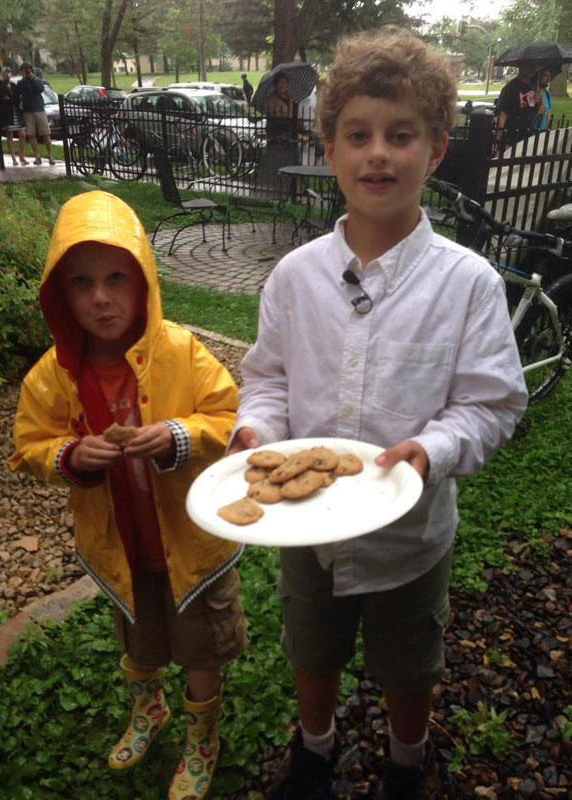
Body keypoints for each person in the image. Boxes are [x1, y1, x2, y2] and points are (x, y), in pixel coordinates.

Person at [229, 27, 528, 800]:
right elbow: (267, 378)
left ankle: (405, 759)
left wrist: (433, 447)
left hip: (410, 539)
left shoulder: (467, 283)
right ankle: (316, 750)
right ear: (328, 149)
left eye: (401, 136)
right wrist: (257, 433)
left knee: (407, 662)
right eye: (357, 135)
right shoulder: (295, 279)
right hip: (312, 534)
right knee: (312, 648)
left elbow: (492, 402)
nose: (378, 155)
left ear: (434, 149)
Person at [9, 190, 247, 800]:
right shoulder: (52, 375)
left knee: (198, 646)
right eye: (81, 282)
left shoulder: (182, 352)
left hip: (191, 544)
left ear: (144, 280)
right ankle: (149, 710)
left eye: (118, 278)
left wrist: (175, 436)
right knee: (136, 637)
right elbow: (31, 441)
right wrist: (68, 455)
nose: (100, 297)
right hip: (121, 543)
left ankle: (202, 738)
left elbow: (225, 415)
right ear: (58, 292)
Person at [494, 60, 540, 151]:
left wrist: (540, 102)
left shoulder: (533, 87)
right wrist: (499, 139)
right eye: (529, 65)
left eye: (534, 66)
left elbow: (533, 113)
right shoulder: (510, 88)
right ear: (520, 67)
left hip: (527, 135)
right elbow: (503, 114)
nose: (532, 69)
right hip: (511, 137)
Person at [16, 62, 56, 165]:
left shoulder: (37, 80)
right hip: (28, 111)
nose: (26, 72)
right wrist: (24, 79)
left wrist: (32, 78)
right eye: (24, 70)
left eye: (28, 70)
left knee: (46, 134)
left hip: (39, 110)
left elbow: (40, 89)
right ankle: (37, 156)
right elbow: (20, 91)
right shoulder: (20, 83)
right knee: (31, 134)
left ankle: (50, 156)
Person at [0, 66, 28, 165]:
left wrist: (10, 99)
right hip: (7, 113)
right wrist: (5, 85)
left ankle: (21, 156)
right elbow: (1, 96)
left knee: (22, 134)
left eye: (9, 72)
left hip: (16, 111)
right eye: (5, 72)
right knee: (10, 135)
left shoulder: (14, 85)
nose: (7, 74)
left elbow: (17, 98)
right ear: (2, 74)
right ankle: (13, 158)